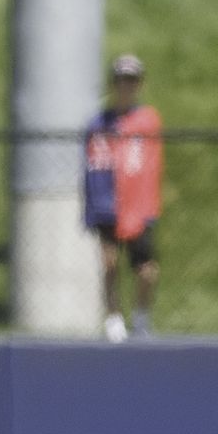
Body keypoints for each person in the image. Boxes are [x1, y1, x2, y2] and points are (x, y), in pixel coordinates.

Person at [82, 53, 164, 342]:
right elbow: (93, 164)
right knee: (109, 262)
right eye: (121, 80)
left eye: (131, 80)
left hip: (137, 205)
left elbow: (149, 165)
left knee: (146, 269)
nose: (125, 86)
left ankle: (141, 317)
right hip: (107, 202)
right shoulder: (98, 123)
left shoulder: (147, 120)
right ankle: (114, 319)